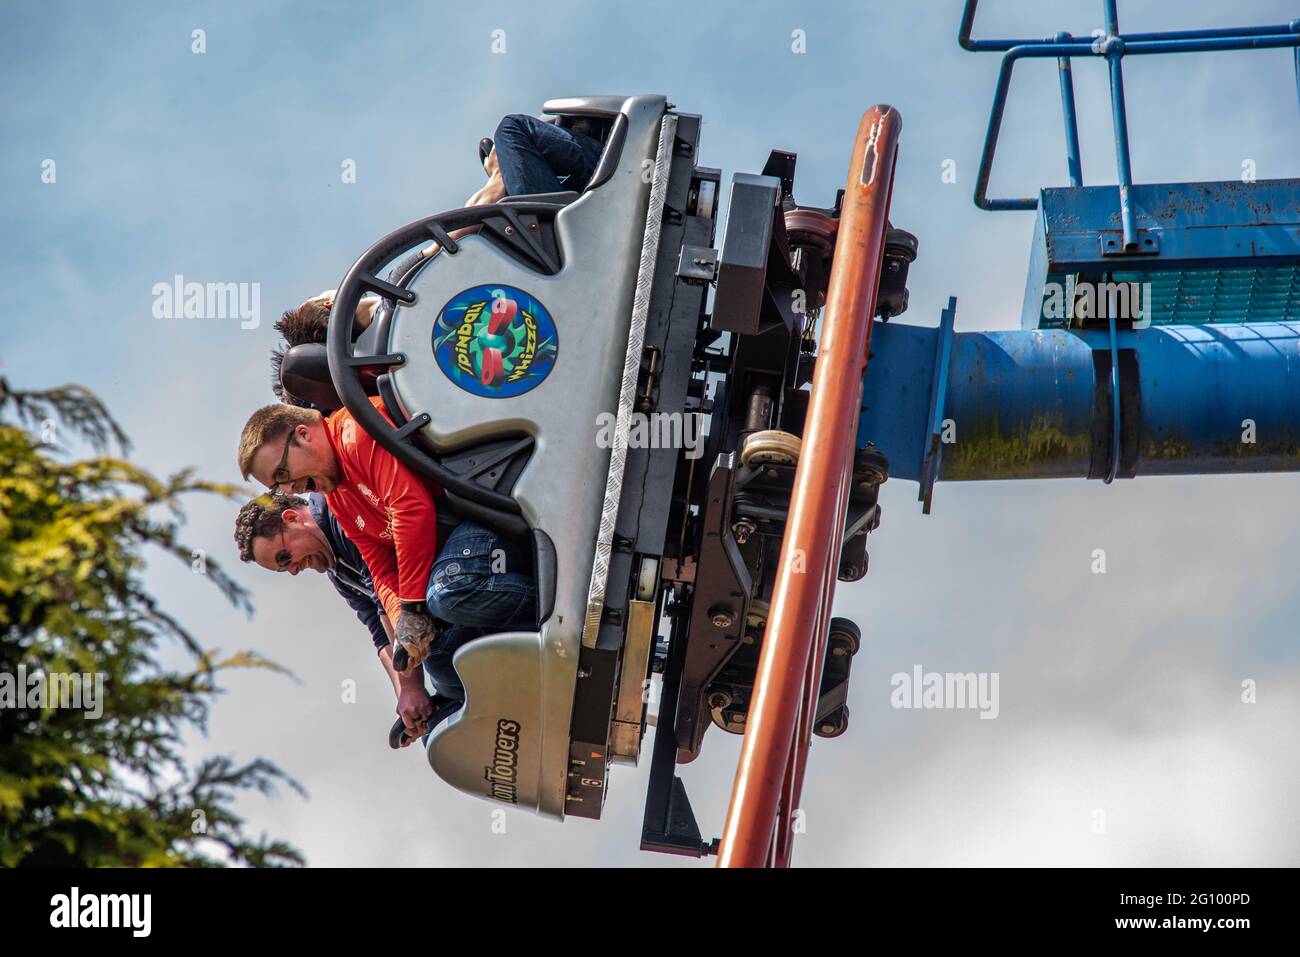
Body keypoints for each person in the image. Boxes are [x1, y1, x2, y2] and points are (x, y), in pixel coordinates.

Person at [268, 112, 607, 397]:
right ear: (330, 304)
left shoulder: (396, 341)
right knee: (512, 130)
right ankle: (610, 161)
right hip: (543, 245)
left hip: (525, 275)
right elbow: (468, 221)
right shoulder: (399, 287)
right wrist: (498, 174)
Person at [235, 399, 537, 708]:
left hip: (484, 519)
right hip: (458, 549)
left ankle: (561, 618)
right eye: (278, 488)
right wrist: (404, 628)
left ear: (303, 435)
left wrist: (412, 610)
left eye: (283, 474)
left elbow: (411, 509)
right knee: (441, 657)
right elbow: (380, 569)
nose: (290, 490)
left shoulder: (355, 433)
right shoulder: (337, 497)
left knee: (447, 594)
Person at [233, 492, 456, 744]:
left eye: (285, 558)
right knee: (434, 730)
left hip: (456, 569)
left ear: (292, 518)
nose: (294, 570)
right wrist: (407, 701)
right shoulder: (336, 571)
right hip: (436, 609)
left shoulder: (340, 515)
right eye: (284, 569)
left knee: (443, 666)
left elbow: (384, 597)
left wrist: (411, 688)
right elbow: (379, 632)